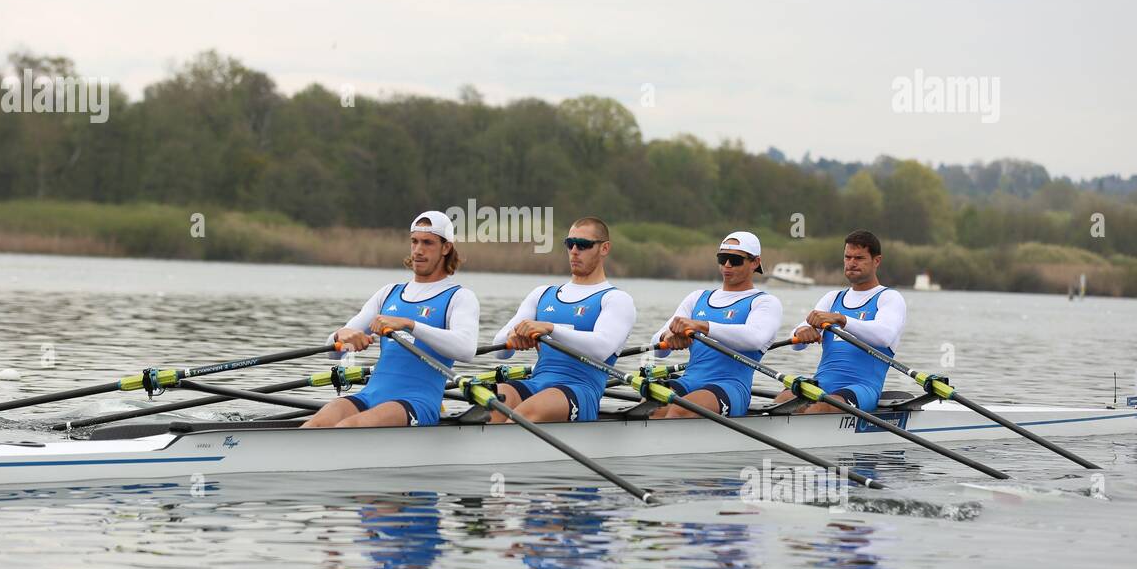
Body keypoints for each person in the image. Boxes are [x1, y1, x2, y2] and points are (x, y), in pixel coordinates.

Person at [303, 211, 479, 428]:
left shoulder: (460, 297)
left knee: (347, 428)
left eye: (427, 243)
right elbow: (333, 352)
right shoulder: (388, 293)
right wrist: (341, 335)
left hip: (416, 402)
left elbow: (467, 349)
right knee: (317, 425)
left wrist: (409, 324)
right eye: (414, 242)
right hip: (370, 395)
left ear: (446, 248)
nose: (418, 250)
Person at [491, 217, 637, 422]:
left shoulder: (616, 299)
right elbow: (498, 350)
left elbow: (601, 348)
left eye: (584, 245)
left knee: (524, 414)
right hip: (536, 384)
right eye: (570, 244)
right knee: (492, 402)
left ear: (604, 248)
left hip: (579, 391)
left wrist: (551, 329)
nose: (575, 250)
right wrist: (513, 337)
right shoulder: (541, 294)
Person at [652, 231, 782, 418]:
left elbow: (755, 339)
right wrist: (668, 337)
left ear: (755, 262)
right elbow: (658, 350)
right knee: (650, 406)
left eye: (735, 260)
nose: (727, 265)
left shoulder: (765, 302)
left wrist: (702, 326)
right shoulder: (697, 298)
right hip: (689, 381)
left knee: (680, 411)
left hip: (730, 387)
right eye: (722, 258)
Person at [776, 229, 906, 414]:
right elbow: (796, 345)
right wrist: (802, 331)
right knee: (784, 400)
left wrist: (842, 319)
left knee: (820, 408)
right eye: (848, 257)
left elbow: (884, 337)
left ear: (876, 261)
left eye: (859, 258)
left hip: (861, 389)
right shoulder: (832, 298)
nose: (851, 263)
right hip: (821, 385)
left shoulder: (889, 298)